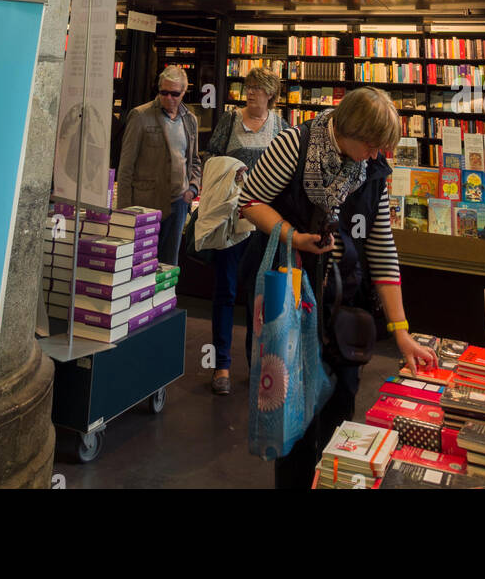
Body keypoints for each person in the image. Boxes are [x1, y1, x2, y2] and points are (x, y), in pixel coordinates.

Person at [238, 86, 438, 489]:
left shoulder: (372, 171)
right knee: (292, 421)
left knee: (339, 418)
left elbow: (381, 249)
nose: (375, 154)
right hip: (289, 302)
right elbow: (249, 200)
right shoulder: (293, 145)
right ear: (347, 130)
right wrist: (294, 237)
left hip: (343, 307)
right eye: (371, 144)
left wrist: (402, 333)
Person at [204, 66, 289, 396]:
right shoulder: (229, 120)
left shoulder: (281, 127)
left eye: (257, 88)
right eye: (248, 86)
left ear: (270, 94)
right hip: (231, 221)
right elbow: (211, 159)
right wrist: (229, 174)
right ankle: (221, 364)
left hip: (264, 226)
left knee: (259, 298)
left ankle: (257, 364)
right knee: (225, 291)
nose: (250, 92)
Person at [116, 65, 199, 266]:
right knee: (141, 263)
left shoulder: (190, 119)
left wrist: (192, 189)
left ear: (183, 92)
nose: (169, 98)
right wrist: (125, 211)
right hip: (146, 202)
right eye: (164, 92)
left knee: (169, 265)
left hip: (179, 202)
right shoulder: (141, 116)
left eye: (174, 94)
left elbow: (194, 160)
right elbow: (126, 166)